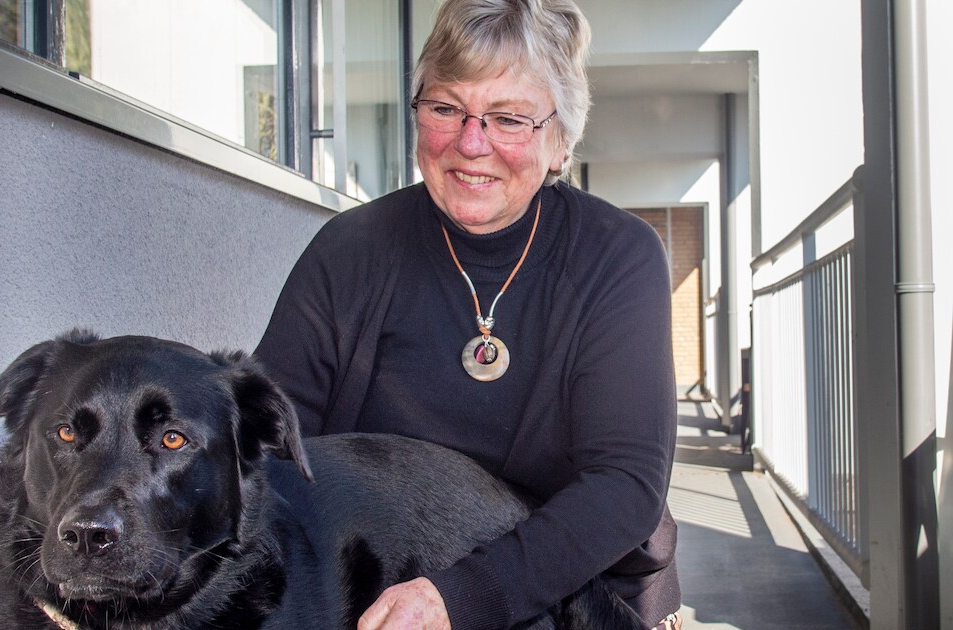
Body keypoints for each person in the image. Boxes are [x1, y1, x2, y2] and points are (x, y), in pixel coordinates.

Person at [254, 0, 681, 628]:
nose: (471, 142)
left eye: (508, 118)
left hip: (581, 594)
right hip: (374, 592)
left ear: (560, 140)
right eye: (446, 108)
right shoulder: (349, 249)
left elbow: (623, 487)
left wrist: (458, 598)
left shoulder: (617, 257)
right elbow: (269, 445)